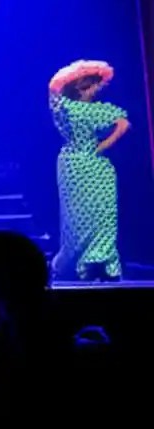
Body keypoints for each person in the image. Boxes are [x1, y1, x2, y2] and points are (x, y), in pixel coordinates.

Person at [47, 60, 128, 281]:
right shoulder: (68, 107)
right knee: (78, 216)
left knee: (102, 215)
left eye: (96, 84)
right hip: (78, 164)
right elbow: (53, 90)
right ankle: (78, 262)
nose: (96, 89)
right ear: (81, 87)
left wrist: (102, 146)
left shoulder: (91, 109)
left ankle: (98, 261)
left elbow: (123, 124)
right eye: (92, 84)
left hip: (91, 165)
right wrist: (75, 73)